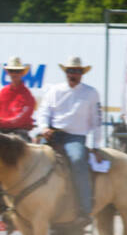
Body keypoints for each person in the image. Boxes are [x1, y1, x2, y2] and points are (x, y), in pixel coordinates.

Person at [33, 55, 102, 224]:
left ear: (82, 73)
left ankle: (84, 210)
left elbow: (96, 121)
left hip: (75, 137)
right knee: (33, 159)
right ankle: (29, 204)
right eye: (71, 71)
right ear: (66, 72)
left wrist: (96, 147)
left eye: (77, 71)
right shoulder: (54, 90)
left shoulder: (91, 93)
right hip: (53, 134)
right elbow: (44, 112)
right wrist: (44, 128)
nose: (74, 74)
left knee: (78, 160)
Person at [0, 56, 36, 136]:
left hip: (18, 133)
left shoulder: (27, 96)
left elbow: (18, 121)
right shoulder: (3, 92)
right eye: (11, 71)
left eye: (17, 71)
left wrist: (1, 122)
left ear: (22, 73)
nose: (14, 74)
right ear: (8, 72)